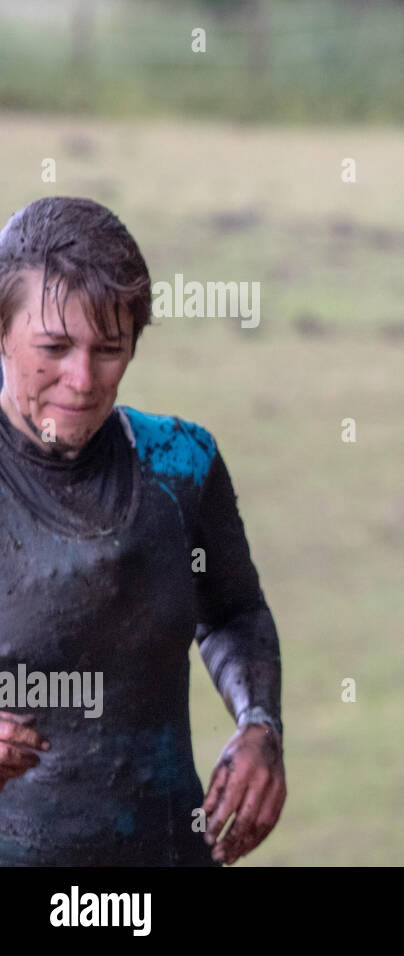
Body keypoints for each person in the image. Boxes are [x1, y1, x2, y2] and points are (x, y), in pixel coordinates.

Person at [0, 197, 285, 865]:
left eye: (109, 349)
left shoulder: (182, 464)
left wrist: (259, 726)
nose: (82, 379)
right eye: (53, 348)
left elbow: (235, 613)